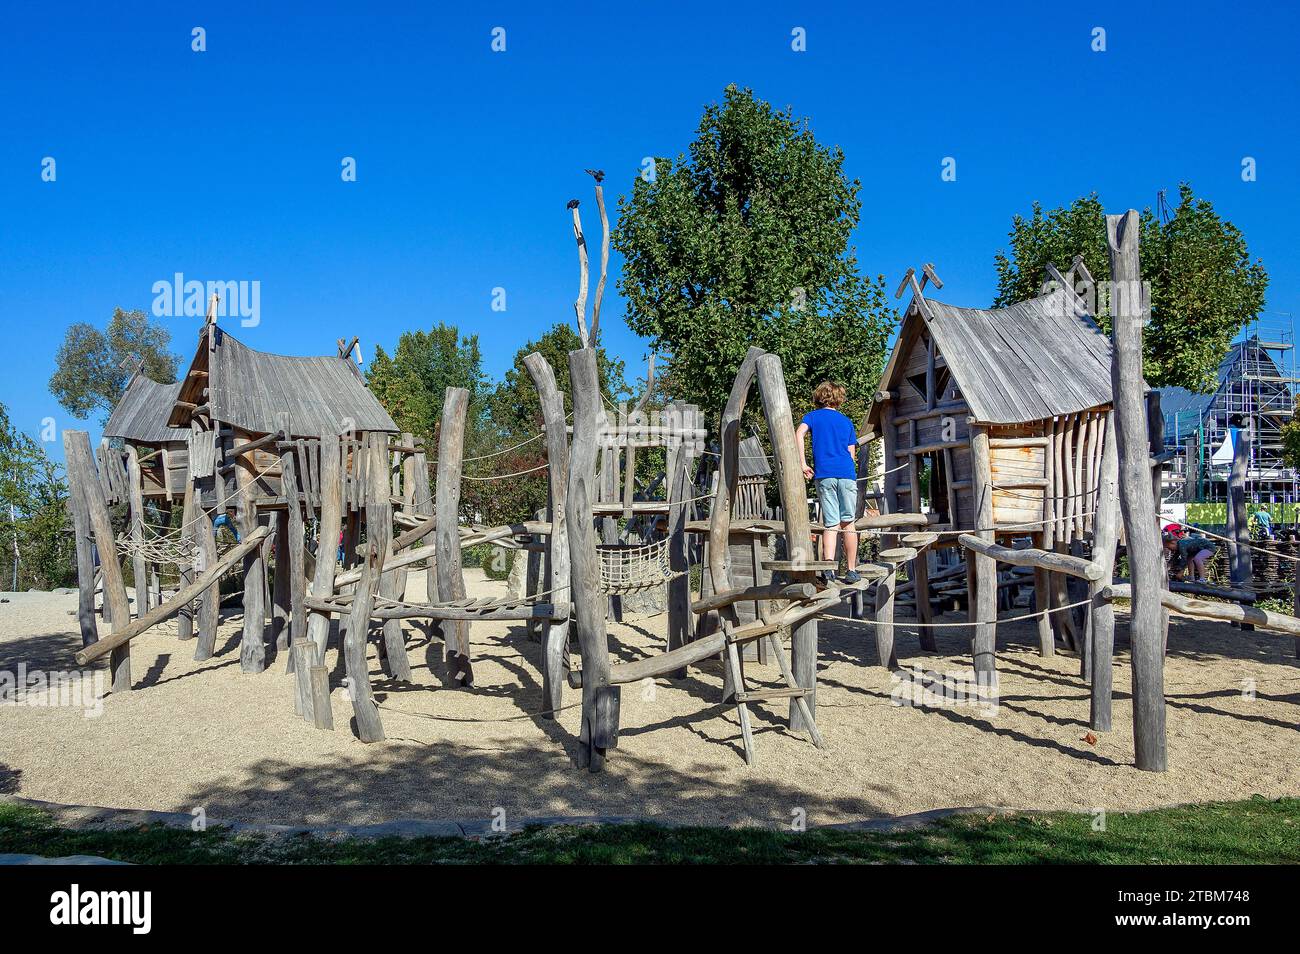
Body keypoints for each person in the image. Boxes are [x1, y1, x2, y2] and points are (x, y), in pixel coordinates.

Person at [796, 381, 861, 584]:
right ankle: (851, 570)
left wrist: (803, 463)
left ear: (818, 397)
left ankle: (829, 569)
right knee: (848, 522)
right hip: (846, 473)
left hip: (824, 474)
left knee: (831, 523)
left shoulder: (813, 417)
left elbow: (799, 434)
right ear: (839, 399)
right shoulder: (846, 421)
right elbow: (851, 454)